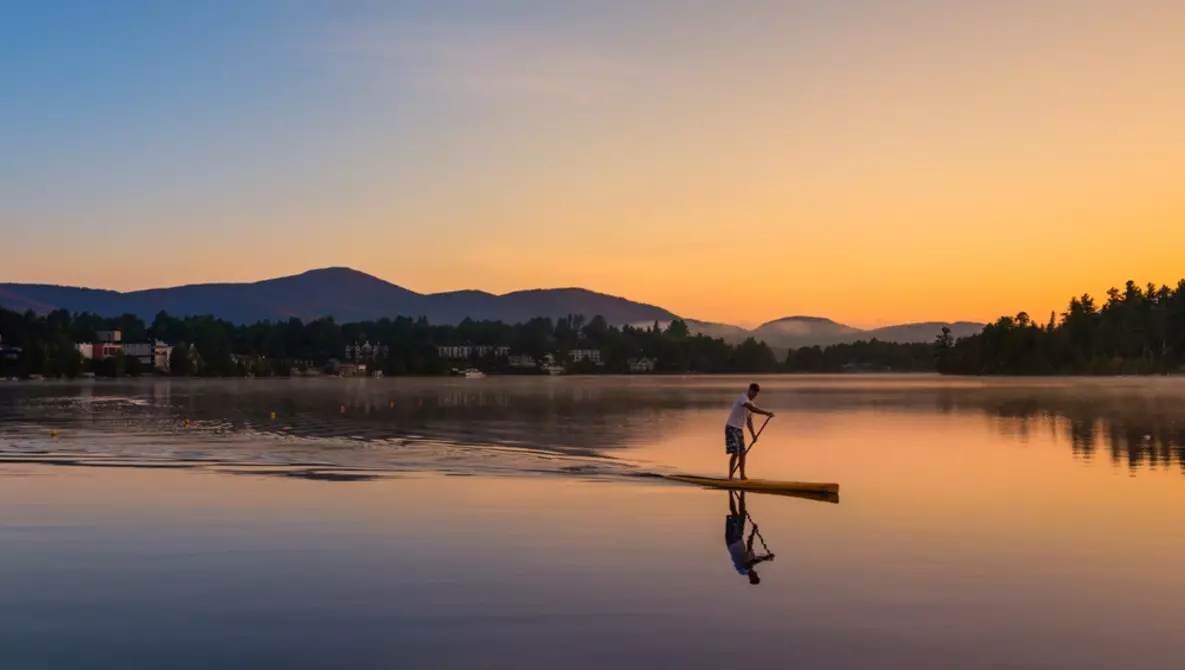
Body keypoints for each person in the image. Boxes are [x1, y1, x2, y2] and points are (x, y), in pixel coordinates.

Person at [726, 382, 774, 479]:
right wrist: (766, 413)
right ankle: (730, 476)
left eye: (756, 394)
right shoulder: (743, 398)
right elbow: (752, 409)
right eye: (754, 393)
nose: (755, 396)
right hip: (731, 427)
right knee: (735, 452)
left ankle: (742, 476)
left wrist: (753, 435)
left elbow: (749, 422)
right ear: (750, 391)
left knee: (742, 453)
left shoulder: (751, 403)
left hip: (739, 429)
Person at [725, 491, 774, 585]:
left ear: (751, 578)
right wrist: (753, 530)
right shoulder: (752, 560)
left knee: (735, 514)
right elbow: (749, 544)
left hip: (732, 541)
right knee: (742, 515)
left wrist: (765, 558)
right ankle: (742, 493)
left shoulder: (743, 571)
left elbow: (749, 564)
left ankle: (730, 492)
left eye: (753, 576)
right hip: (738, 538)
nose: (754, 574)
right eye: (756, 575)